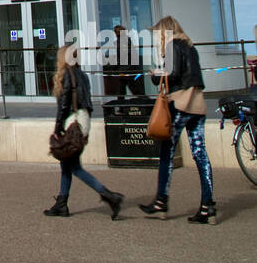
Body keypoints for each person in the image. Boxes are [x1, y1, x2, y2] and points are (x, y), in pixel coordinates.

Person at [139, 16, 216, 224]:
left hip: (180, 102)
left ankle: (161, 201)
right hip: (197, 105)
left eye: (157, 33)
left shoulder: (172, 45)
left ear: (165, 31)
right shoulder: (189, 46)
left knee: (167, 150)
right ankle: (208, 205)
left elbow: (172, 75)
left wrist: (155, 76)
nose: (157, 38)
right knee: (200, 153)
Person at [44, 46, 124, 220]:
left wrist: (58, 128)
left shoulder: (67, 74)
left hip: (73, 122)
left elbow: (64, 103)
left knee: (74, 167)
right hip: (83, 120)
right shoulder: (82, 75)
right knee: (66, 164)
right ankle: (61, 203)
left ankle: (109, 195)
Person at [105, 24, 144, 99]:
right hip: (130, 69)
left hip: (125, 70)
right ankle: (142, 102)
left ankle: (122, 107)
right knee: (131, 90)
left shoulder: (121, 42)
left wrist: (113, 67)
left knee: (123, 90)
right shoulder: (127, 41)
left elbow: (122, 57)